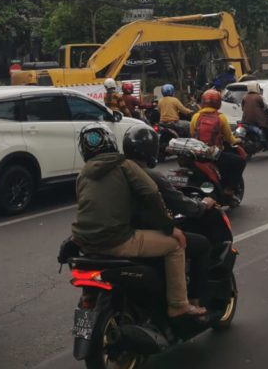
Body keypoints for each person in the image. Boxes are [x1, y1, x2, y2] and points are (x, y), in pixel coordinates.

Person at [70, 123, 206, 318]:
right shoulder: (125, 166)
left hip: (85, 242)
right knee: (176, 244)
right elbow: (151, 193)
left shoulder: (83, 174)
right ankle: (178, 304)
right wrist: (169, 228)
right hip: (117, 241)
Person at [123, 124, 217, 307]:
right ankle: (192, 302)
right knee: (200, 245)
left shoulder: (117, 173)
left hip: (116, 232)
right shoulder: (152, 176)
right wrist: (202, 205)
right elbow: (181, 203)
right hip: (138, 235)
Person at [189, 89, 247, 199]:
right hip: (213, 154)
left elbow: (192, 134)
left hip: (197, 153)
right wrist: (238, 140)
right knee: (240, 161)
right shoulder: (221, 117)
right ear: (218, 103)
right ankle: (229, 189)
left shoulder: (196, 117)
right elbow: (230, 138)